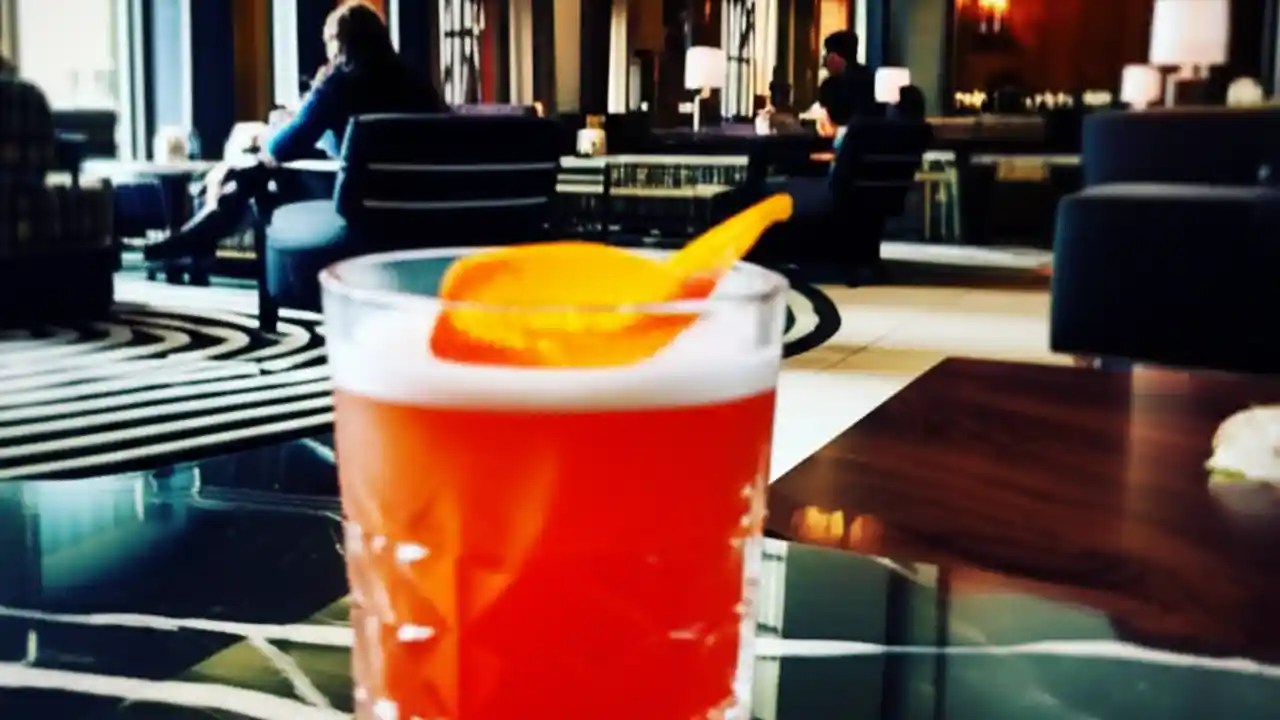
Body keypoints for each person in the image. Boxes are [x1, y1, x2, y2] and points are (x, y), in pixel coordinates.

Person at [145, 0, 447, 264]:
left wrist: (278, 126)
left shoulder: (339, 85)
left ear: (339, 43)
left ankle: (199, 233)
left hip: (358, 203)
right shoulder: (418, 84)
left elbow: (282, 147)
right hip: (421, 202)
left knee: (259, 168)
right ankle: (199, 231)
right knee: (255, 169)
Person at [821, 30, 878, 126]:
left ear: (834, 57)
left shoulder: (831, 86)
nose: (825, 61)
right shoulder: (869, 78)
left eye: (827, 54)